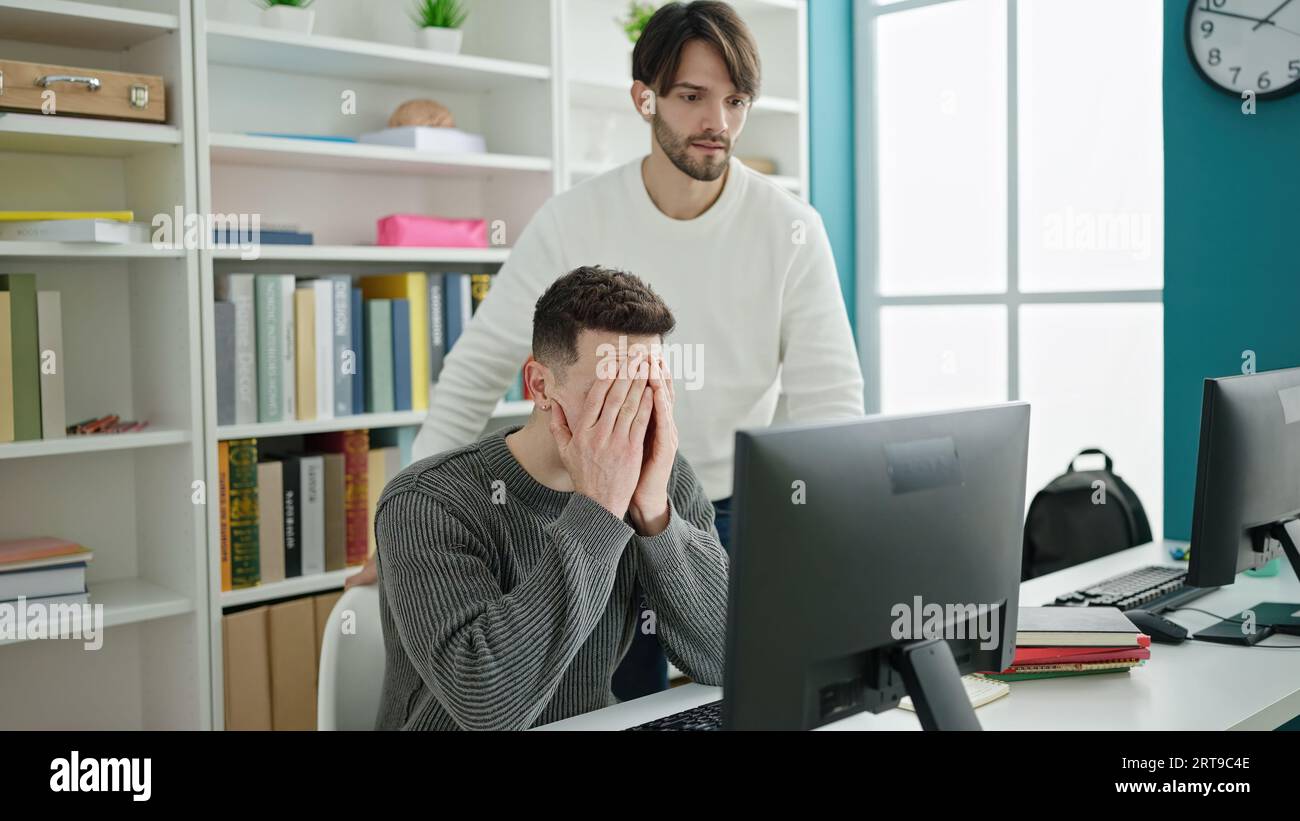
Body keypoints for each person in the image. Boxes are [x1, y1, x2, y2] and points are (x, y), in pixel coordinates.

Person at [357, 0, 864, 698]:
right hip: (599, 491)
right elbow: (479, 366)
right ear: (644, 97)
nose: (718, 123)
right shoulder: (575, 217)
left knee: (750, 683)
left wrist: (815, 532)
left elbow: (829, 403)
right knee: (598, 696)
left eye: (736, 100)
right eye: (691, 96)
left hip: (725, 503)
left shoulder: (791, 229)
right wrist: (405, 525)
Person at [374, 267, 728, 730]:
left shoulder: (663, 477)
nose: (634, 410)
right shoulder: (426, 501)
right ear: (540, 386)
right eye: (610, 389)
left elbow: (727, 659)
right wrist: (599, 510)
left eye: (648, 385)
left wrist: (655, 516)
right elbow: (487, 707)